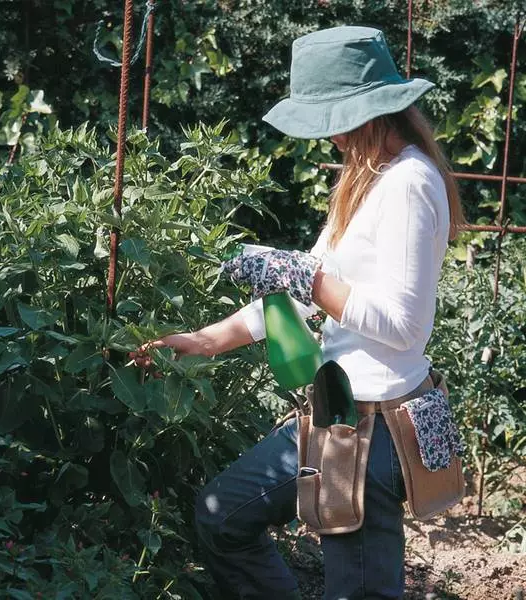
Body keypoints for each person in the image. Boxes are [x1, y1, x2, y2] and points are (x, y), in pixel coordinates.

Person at [135, 26, 464, 600]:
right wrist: (205, 340)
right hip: (339, 412)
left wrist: (306, 276)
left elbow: (404, 327)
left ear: (366, 110)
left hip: (372, 426)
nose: (329, 136)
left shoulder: (410, 183)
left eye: (332, 117)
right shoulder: (367, 179)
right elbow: (302, 292)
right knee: (222, 515)